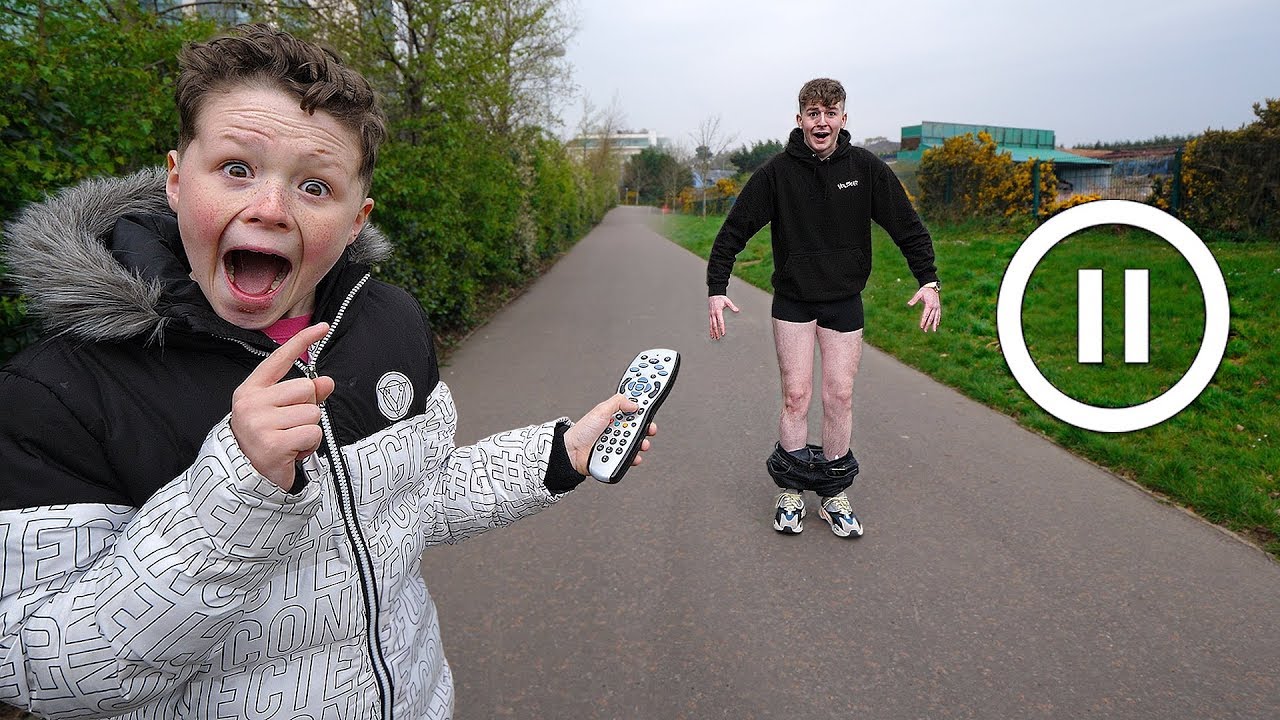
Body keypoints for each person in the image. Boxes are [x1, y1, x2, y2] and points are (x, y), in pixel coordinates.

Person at [0, 24, 657, 719]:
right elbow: (40, 667)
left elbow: (415, 504)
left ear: (355, 220)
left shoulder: (388, 322)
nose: (269, 209)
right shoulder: (57, 393)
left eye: (315, 186)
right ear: (175, 178)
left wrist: (558, 455)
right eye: (236, 169)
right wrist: (235, 493)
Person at [706, 78, 940, 538]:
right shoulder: (776, 174)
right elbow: (734, 229)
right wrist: (717, 286)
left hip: (843, 301)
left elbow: (906, 225)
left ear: (843, 119)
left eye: (830, 113)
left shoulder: (865, 169)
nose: (822, 122)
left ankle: (833, 494)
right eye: (813, 113)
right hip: (794, 300)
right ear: (800, 120)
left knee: (839, 396)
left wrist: (928, 279)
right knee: (796, 396)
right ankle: (791, 491)